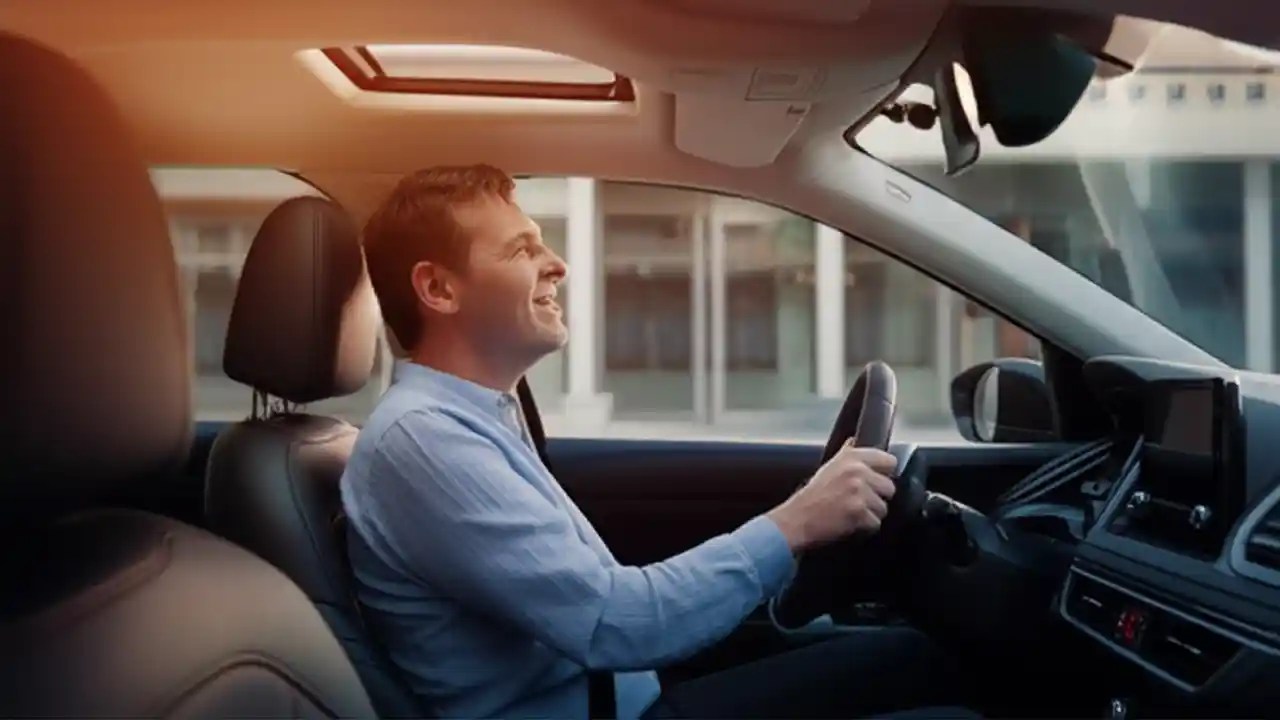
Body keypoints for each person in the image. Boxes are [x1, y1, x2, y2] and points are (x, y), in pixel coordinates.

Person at [340, 165, 978, 719]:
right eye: (521, 250)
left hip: (619, 693)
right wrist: (796, 524)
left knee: (909, 656)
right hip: (611, 707)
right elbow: (615, 625)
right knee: (933, 687)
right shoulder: (422, 441)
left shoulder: (469, 419)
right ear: (439, 289)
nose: (556, 264)